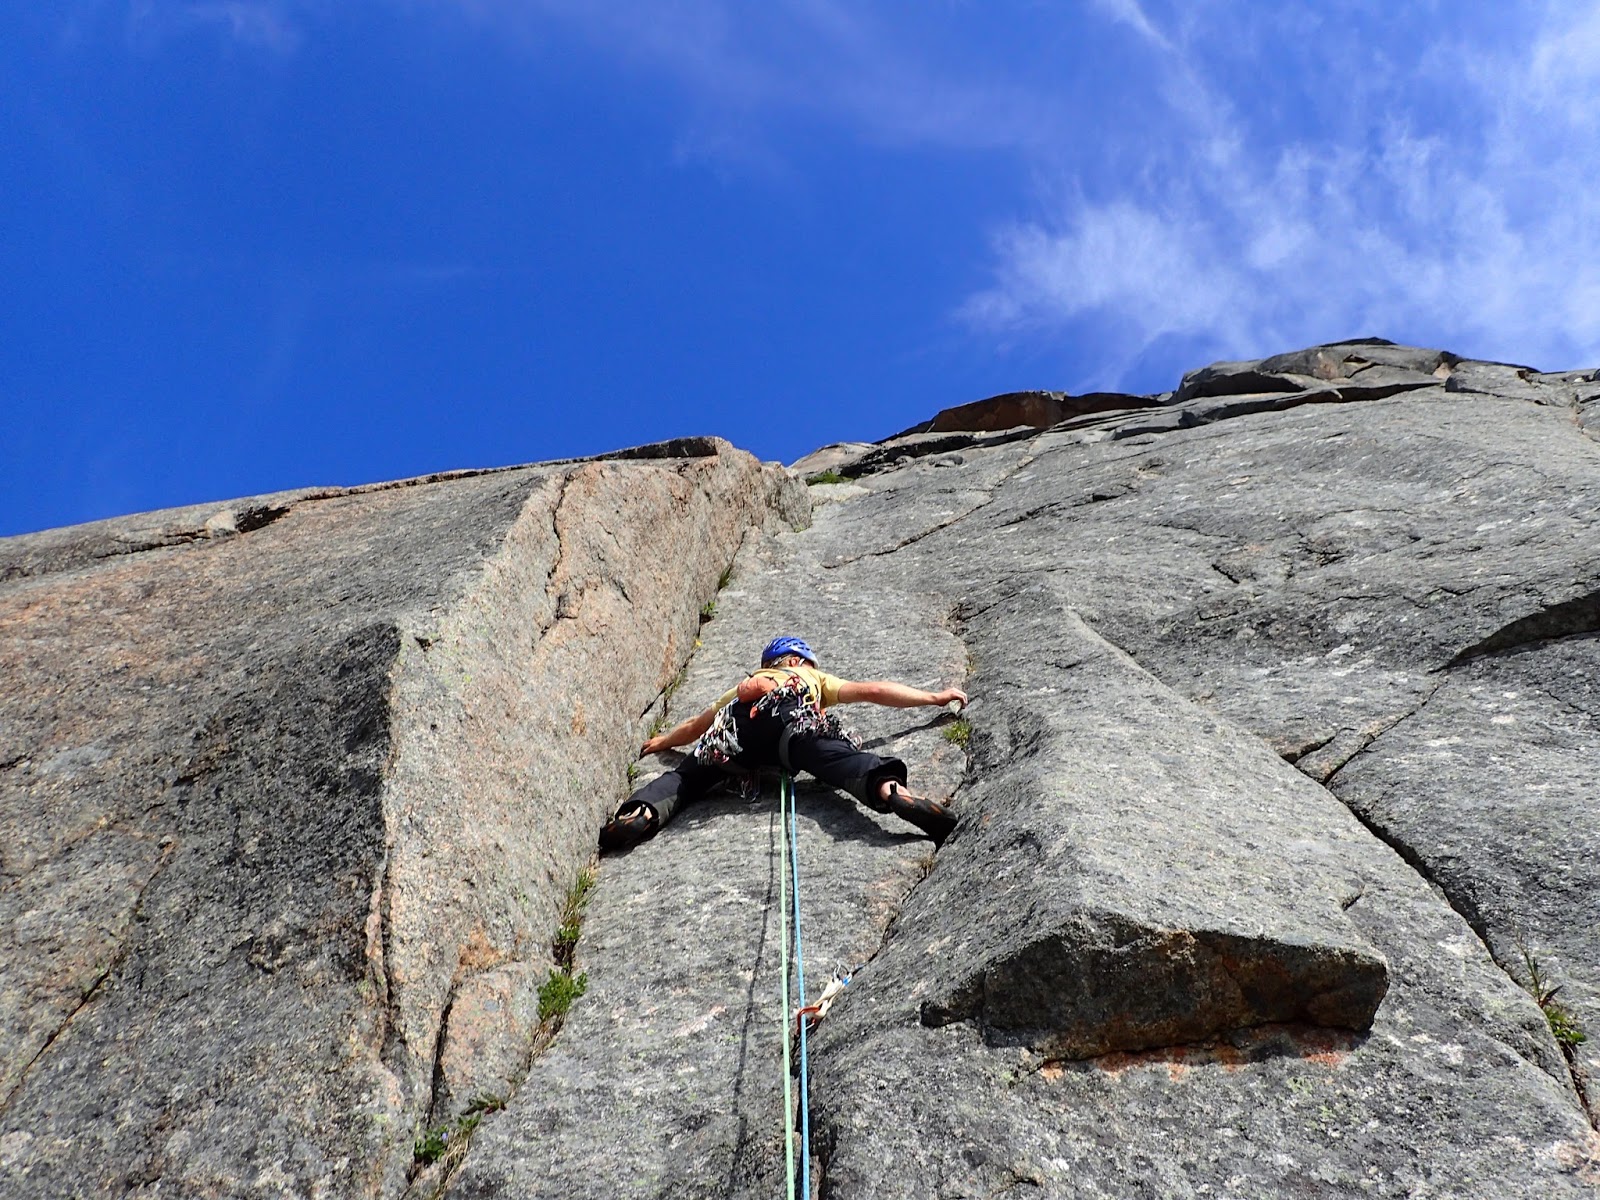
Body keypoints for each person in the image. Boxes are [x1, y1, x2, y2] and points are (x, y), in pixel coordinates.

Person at [600, 635, 968, 850]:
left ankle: (643, 813)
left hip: (736, 732)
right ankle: (890, 790)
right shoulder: (807, 678)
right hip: (792, 720)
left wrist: (663, 740)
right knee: (840, 760)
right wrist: (934, 697)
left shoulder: (740, 690)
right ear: (796, 660)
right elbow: (874, 691)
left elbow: (697, 728)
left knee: (688, 776)